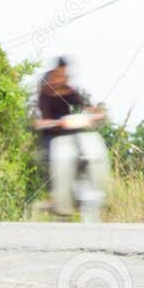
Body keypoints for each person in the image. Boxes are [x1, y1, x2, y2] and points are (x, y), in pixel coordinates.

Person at [33, 58, 108, 219]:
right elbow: (42, 119)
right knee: (49, 158)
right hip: (52, 135)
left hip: (71, 133)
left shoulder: (70, 92)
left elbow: (85, 106)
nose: (62, 78)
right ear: (54, 74)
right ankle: (53, 194)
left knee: (89, 151)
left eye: (65, 75)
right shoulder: (46, 93)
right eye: (59, 74)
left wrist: (97, 113)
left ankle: (95, 186)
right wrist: (53, 123)